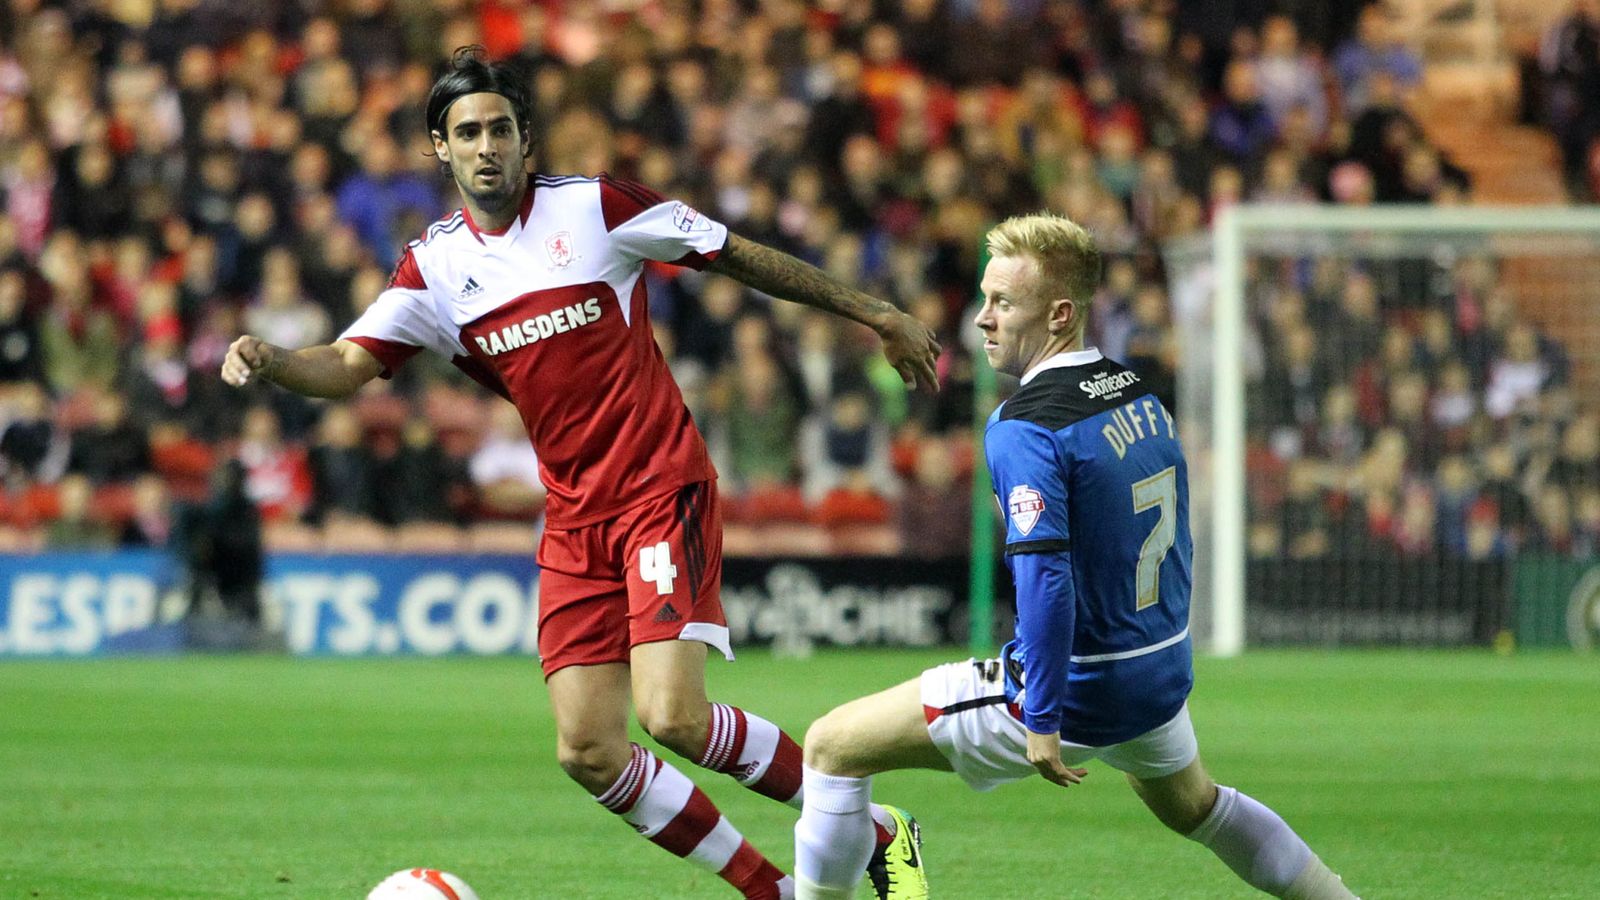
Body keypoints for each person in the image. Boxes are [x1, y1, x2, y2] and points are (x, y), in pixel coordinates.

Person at [220, 48, 940, 900]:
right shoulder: (435, 268)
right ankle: (771, 891)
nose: (486, 146)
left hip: (658, 488)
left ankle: (876, 827)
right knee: (589, 749)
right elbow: (346, 363)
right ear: (440, 149)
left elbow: (736, 253)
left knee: (672, 716)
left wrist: (875, 312)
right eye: (467, 133)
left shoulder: (595, 208)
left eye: (500, 128)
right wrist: (271, 359)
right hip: (573, 518)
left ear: (526, 138)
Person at [793, 213, 1358, 900]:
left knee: (830, 748)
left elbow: (1045, 577)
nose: (982, 318)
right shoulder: (1136, 390)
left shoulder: (1024, 426)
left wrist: (1043, 713)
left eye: (1004, 303)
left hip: (1080, 686)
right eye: (984, 298)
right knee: (1196, 805)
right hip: (1157, 667)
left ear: (1060, 314)